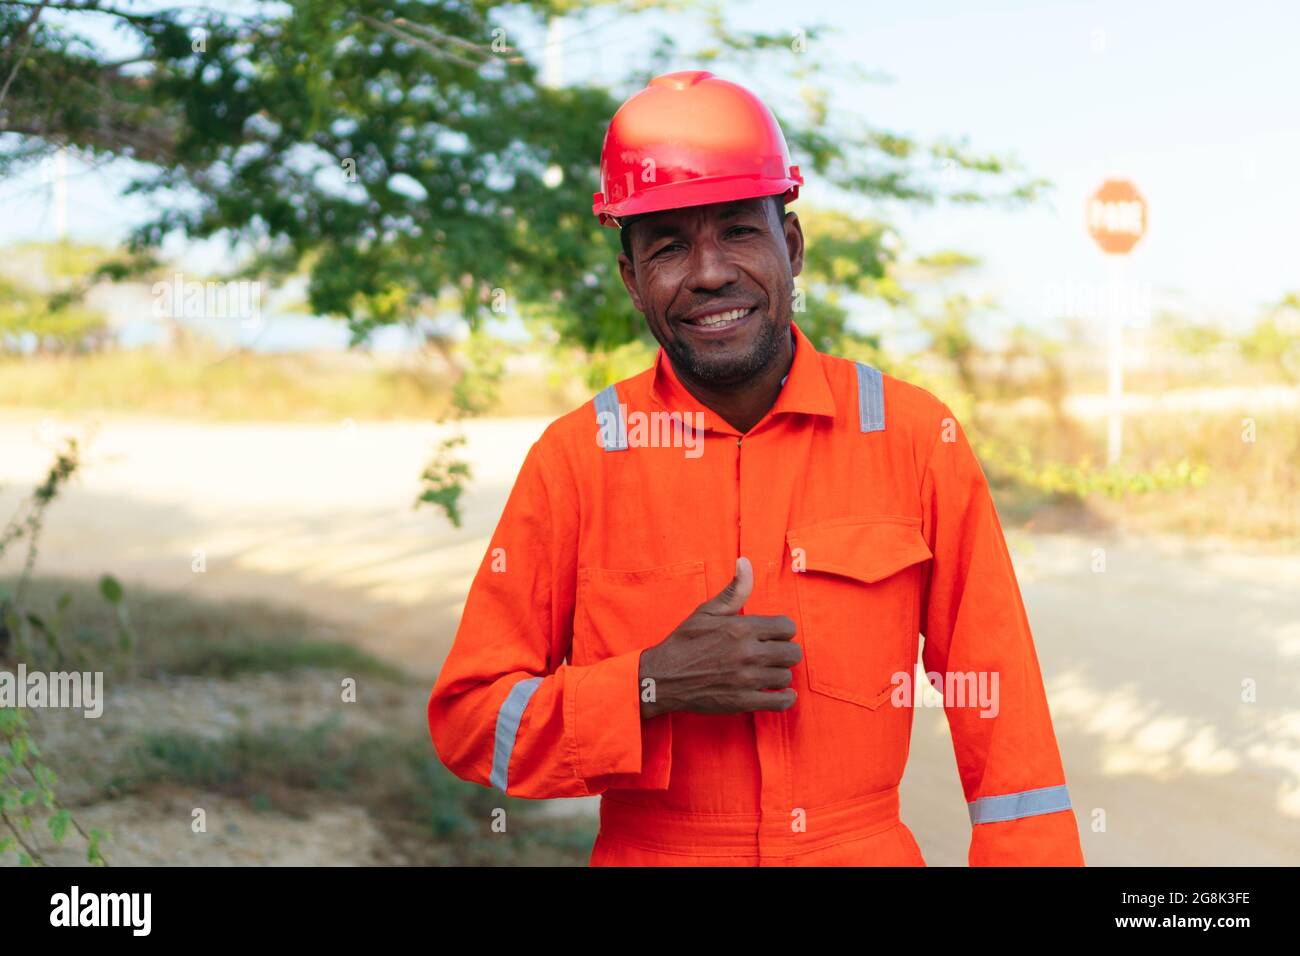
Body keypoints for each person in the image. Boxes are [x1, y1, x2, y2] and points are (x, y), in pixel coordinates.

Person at [427, 70, 1085, 866]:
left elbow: (1006, 718)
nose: (707, 272)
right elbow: (470, 720)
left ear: (793, 247)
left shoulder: (913, 438)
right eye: (669, 244)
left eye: (738, 230)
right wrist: (648, 685)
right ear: (633, 280)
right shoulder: (577, 461)